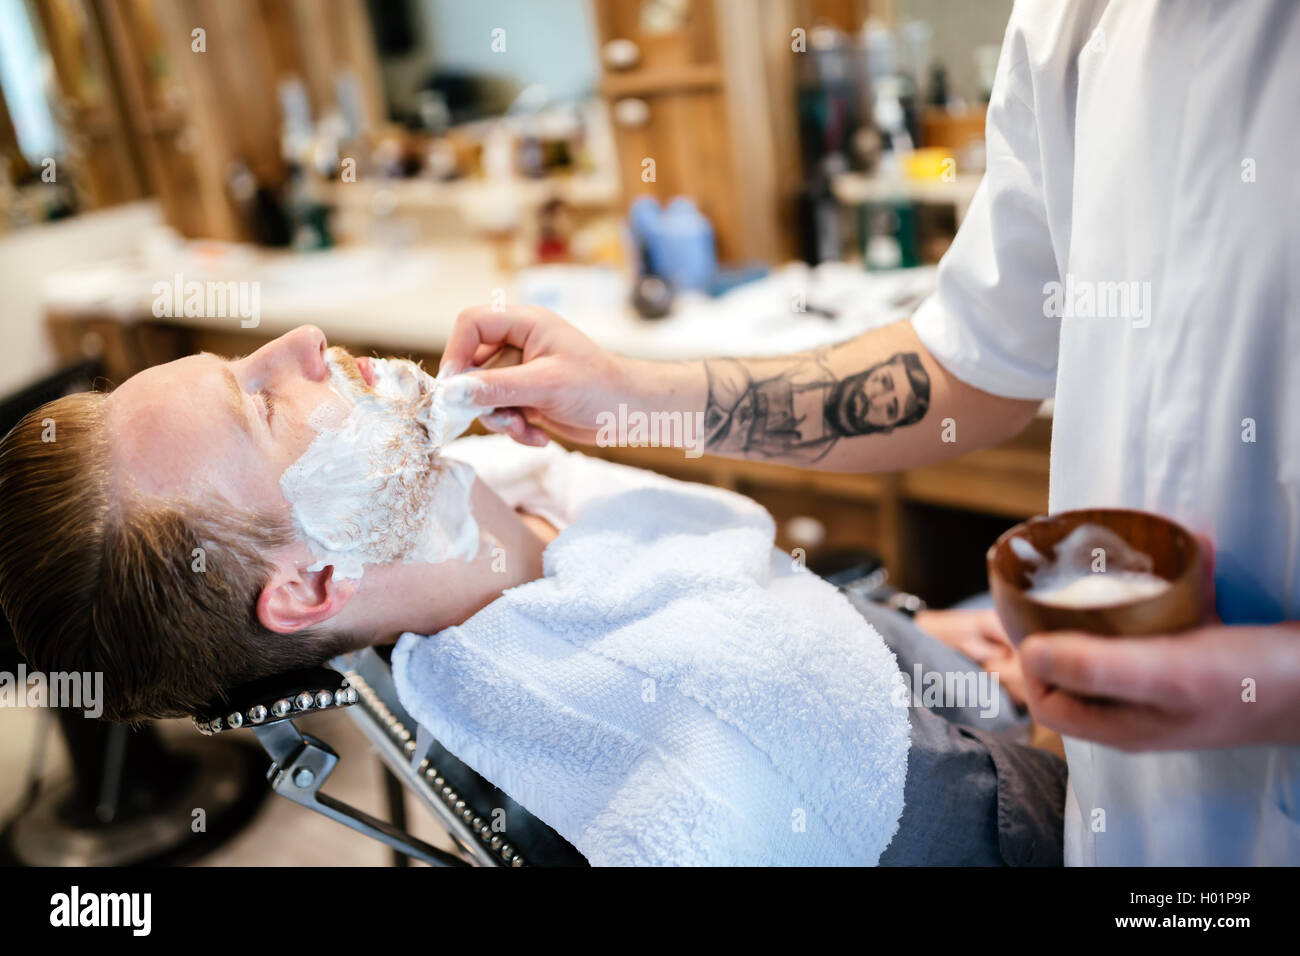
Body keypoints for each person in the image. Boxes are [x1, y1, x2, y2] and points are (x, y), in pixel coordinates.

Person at [431, 1, 1300, 865]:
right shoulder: (1074, 21)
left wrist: (1270, 692)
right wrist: (627, 395)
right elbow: (963, 367)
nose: (308, 351)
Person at [0, 326, 1064, 864]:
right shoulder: (698, 743)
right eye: (263, 404)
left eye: (244, 354)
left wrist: (917, 643)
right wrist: (1049, 747)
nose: (303, 343)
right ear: (315, 579)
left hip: (935, 675)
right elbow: (972, 819)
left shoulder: (503, 482)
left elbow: (784, 615)